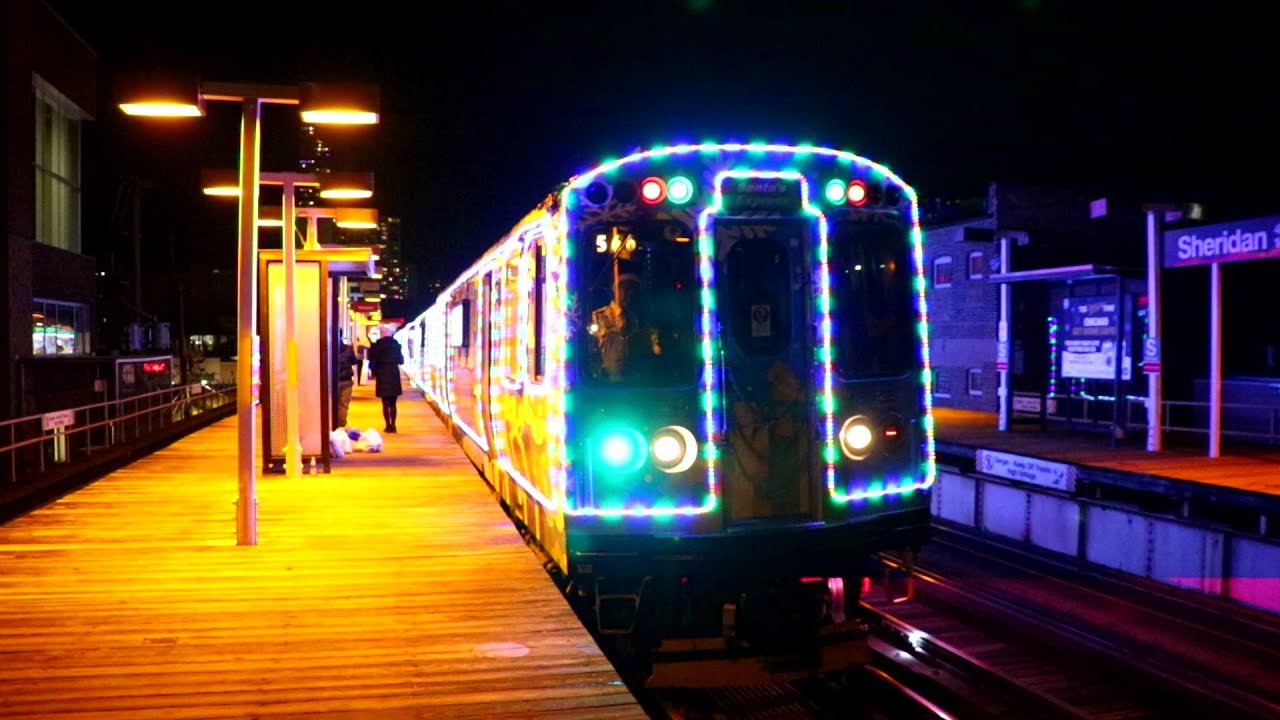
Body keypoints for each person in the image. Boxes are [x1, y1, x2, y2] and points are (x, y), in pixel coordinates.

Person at [591, 272, 661, 381]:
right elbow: (593, 346)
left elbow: (651, 340)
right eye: (625, 289)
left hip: (633, 376)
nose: (629, 294)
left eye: (633, 290)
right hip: (608, 378)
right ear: (615, 290)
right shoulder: (599, 315)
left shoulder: (636, 318)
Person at [367, 325, 404, 433]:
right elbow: (401, 361)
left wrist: (373, 371)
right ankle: (394, 425)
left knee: (385, 402)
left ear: (381, 334)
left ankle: (387, 426)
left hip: (382, 375)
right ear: (390, 333)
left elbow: (372, 362)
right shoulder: (396, 345)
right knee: (393, 403)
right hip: (394, 375)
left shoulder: (377, 345)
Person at [335, 340, 358, 429]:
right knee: (344, 404)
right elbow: (354, 362)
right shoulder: (348, 349)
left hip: (332, 381)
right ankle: (342, 424)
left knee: (333, 404)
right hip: (346, 380)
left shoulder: (329, 348)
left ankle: (334, 424)